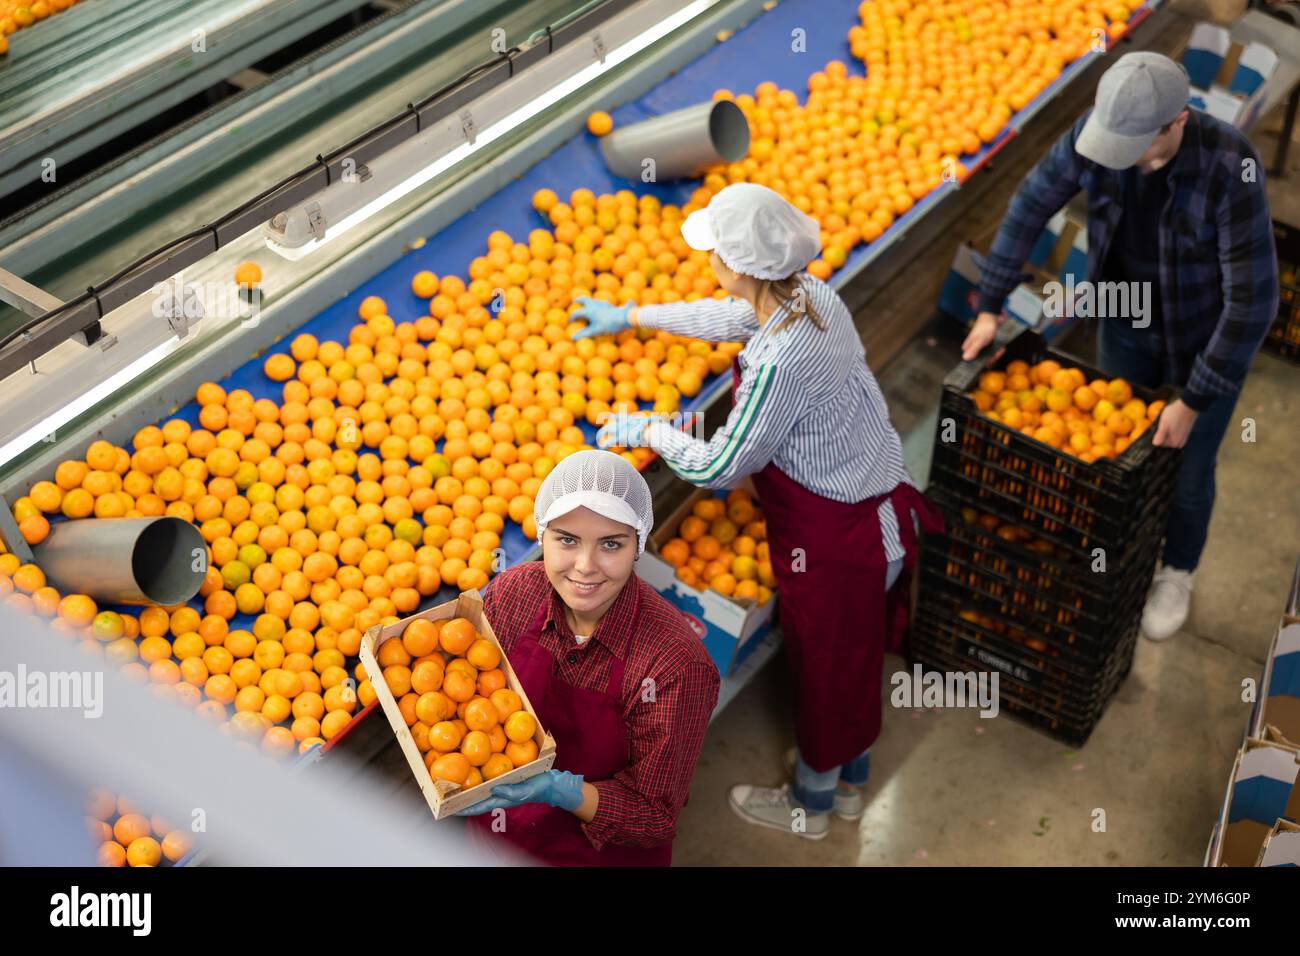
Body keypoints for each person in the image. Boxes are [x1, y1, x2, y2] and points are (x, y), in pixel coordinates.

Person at [571, 182, 941, 841]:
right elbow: (729, 318)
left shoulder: (779, 361)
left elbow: (720, 466)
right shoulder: (809, 299)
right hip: (872, 508)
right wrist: (628, 315)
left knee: (827, 669)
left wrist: (649, 430)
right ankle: (848, 781)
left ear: (740, 265)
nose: (709, 259)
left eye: (714, 250)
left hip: (837, 536)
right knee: (851, 661)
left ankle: (812, 805)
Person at [960, 52, 1279, 642]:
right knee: (1116, 455)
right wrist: (989, 305)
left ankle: (1177, 570)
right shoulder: (1094, 133)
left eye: (1135, 145)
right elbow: (1031, 204)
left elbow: (1253, 303)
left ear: (1177, 120)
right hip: (1124, 319)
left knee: (1187, 468)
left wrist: (1195, 398)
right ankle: (1118, 558)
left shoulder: (1230, 165)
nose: (1117, 156)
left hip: (1202, 337)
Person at [458, 449, 719, 865]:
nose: (585, 567)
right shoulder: (514, 593)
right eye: (567, 540)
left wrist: (566, 793)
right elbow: (468, 689)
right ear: (541, 534)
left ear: (638, 545)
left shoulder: (673, 665)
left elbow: (655, 815)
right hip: (495, 834)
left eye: (611, 544)